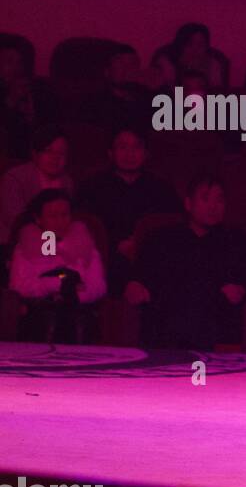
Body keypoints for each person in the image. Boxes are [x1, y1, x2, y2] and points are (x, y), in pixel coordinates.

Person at [126, 174, 246, 349]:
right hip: (167, 327)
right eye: (206, 199)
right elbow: (138, 277)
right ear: (188, 204)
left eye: (219, 200)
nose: (213, 206)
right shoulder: (162, 238)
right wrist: (135, 285)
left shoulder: (235, 241)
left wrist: (241, 289)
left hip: (216, 327)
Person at [77, 127, 182, 294]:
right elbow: (82, 228)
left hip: (152, 258)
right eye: (122, 147)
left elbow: (175, 226)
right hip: (107, 258)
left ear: (146, 153)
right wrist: (116, 245)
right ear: (110, 153)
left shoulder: (162, 188)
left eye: (136, 147)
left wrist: (140, 244)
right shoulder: (92, 187)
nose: (129, 154)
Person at [7, 188, 106, 343]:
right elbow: (18, 285)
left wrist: (73, 296)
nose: (60, 221)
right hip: (40, 320)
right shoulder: (26, 246)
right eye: (53, 216)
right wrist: (57, 284)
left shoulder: (85, 244)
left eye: (64, 215)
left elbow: (98, 285)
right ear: (38, 219)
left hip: (79, 319)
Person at [0, 128, 74, 245]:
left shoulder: (67, 182)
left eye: (61, 153)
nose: (55, 158)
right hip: (15, 244)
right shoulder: (14, 179)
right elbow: (16, 222)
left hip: (55, 244)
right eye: (48, 151)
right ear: (35, 154)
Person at [0, 38, 59, 161]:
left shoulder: (39, 89)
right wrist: (12, 100)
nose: (16, 68)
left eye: (19, 62)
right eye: (9, 62)